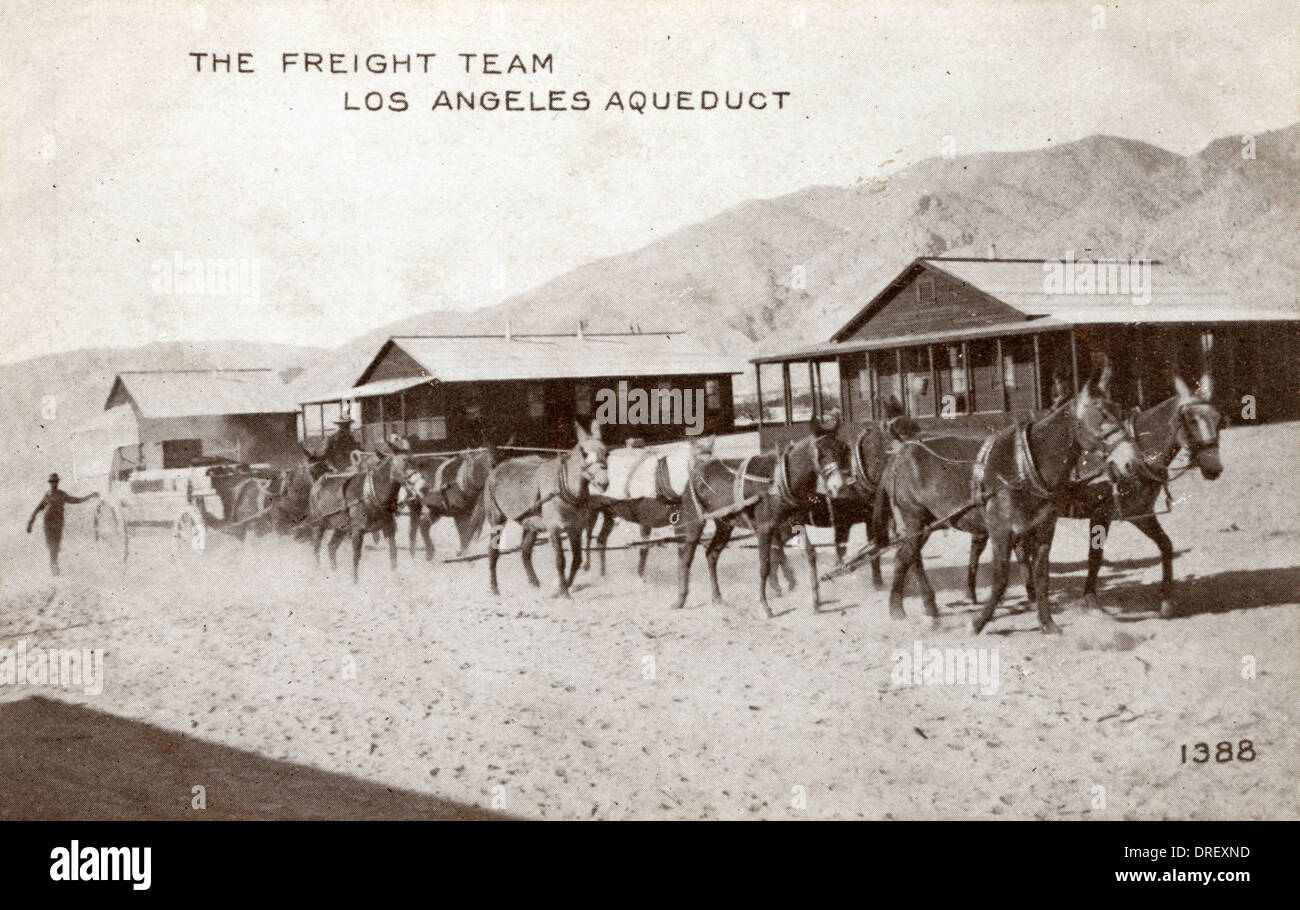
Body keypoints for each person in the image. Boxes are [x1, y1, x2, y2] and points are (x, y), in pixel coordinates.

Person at [26, 473, 98, 576]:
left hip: (58, 524)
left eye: (55, 482)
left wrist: (90, 496)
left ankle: (55, 570)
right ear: (50, 483)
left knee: (56, 547)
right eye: (52, 482)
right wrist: (30, 523)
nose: (54, 484)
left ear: (58, 483)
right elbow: (38, 509)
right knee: (53, 548)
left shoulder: (62, 494)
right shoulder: (48, 494)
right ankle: (54, 570)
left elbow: (76, 500)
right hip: (48, 524)